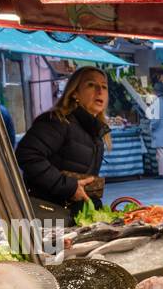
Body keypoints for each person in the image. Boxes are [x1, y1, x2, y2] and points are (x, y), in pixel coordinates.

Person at [15, 66, 110, 220]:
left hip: (73, 215)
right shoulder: (57, 121)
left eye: (104, 87)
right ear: (75, 93)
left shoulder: (93, 130)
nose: (100, 91)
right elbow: (27, 154)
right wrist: (69, 187)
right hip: (49, 215)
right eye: (91, 85)